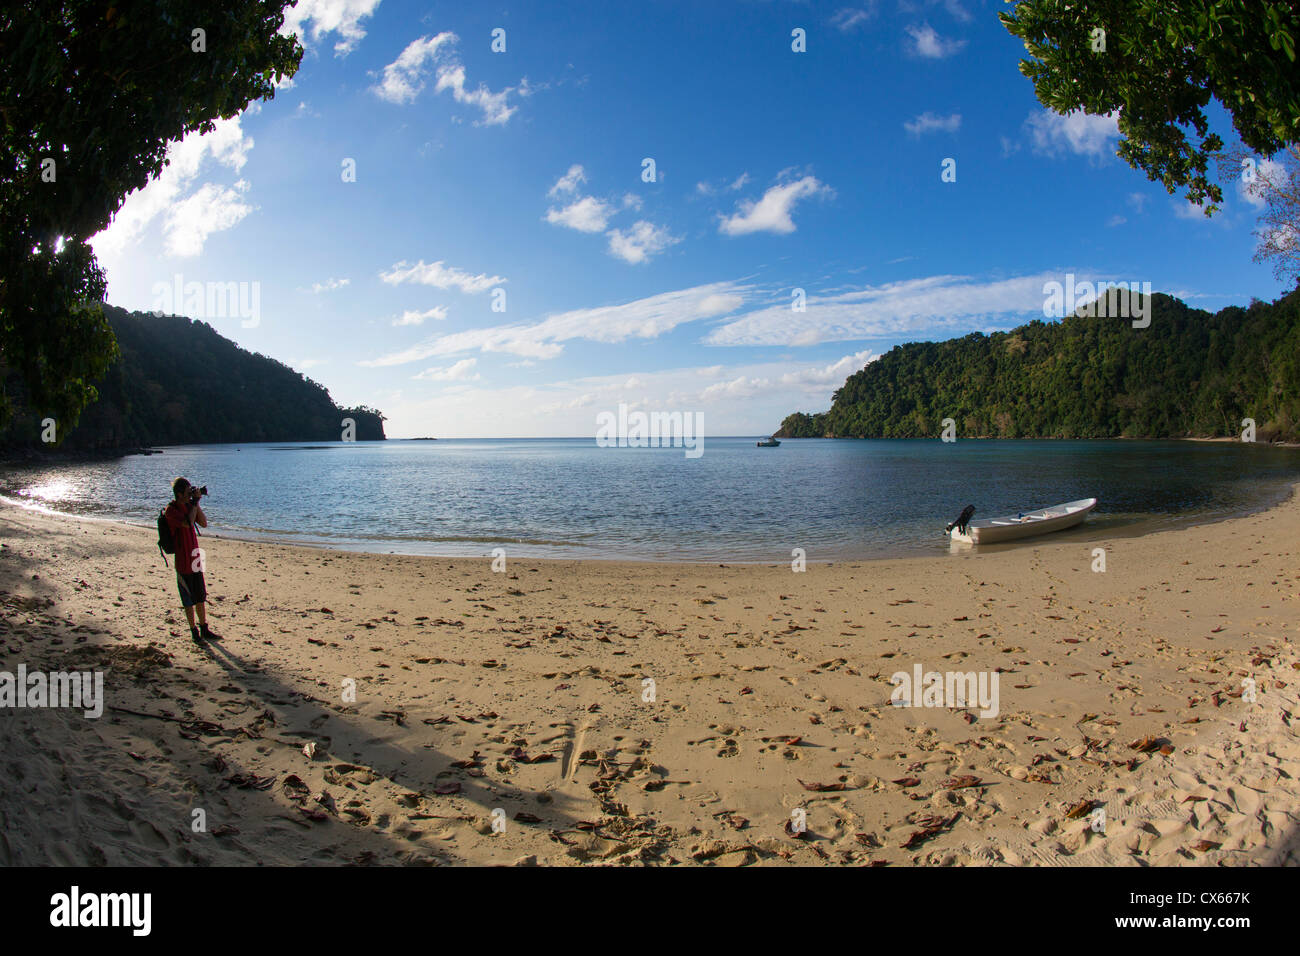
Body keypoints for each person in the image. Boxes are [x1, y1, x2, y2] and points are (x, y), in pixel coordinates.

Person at [164, 477, 220, 643]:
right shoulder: (171, 510)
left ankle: (204, 628)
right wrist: (194, 504)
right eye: (188, 492)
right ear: (179, 494)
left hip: (196, 555)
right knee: (188, 599)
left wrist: (196, 503)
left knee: (200, 596)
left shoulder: (190, 506)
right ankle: (193, 631)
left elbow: (203, 523)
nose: (190, 495)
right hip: (182, 560)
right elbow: (187, 524)